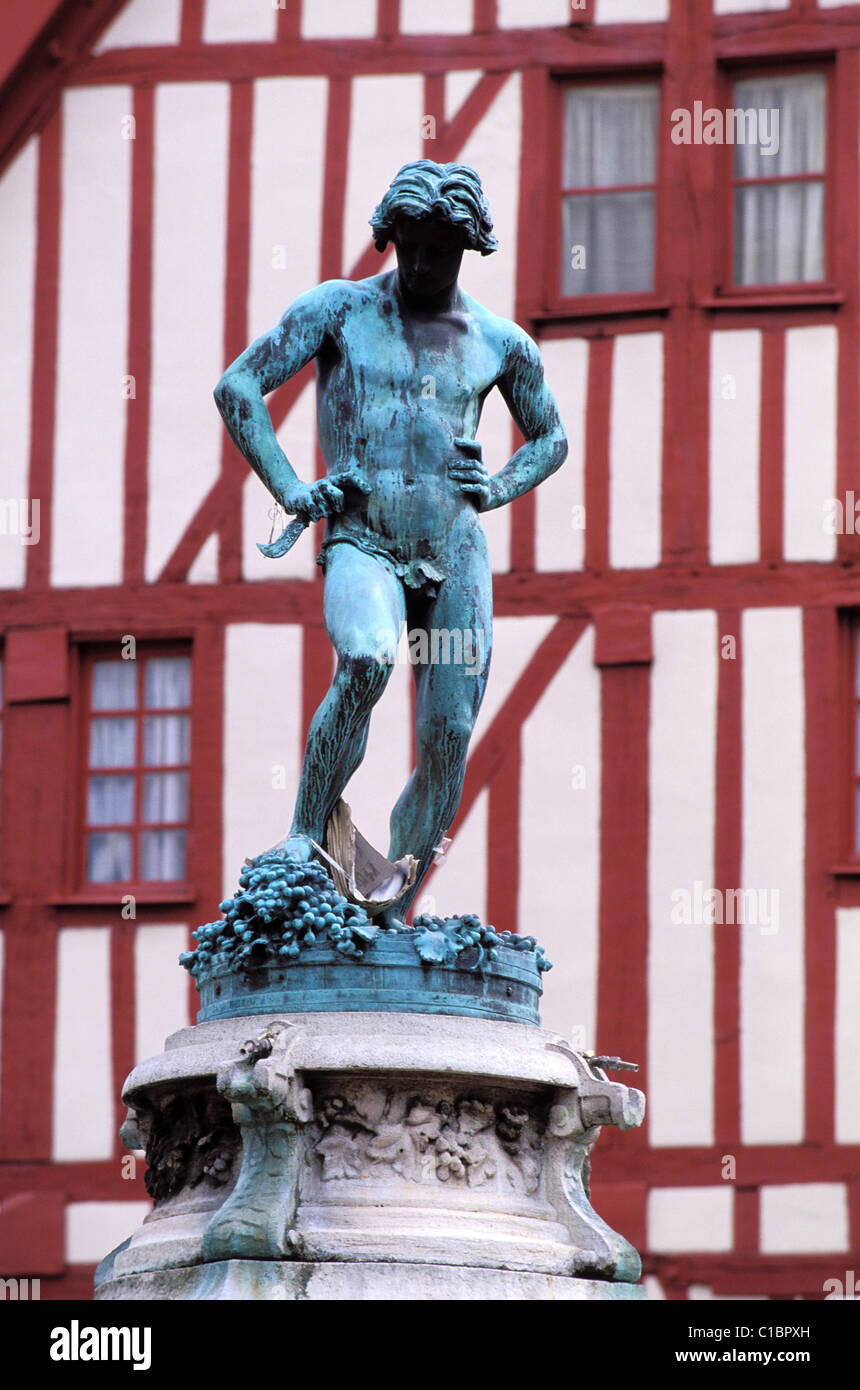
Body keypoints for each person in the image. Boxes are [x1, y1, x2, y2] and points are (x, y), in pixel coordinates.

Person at [214, 160, 567, 924]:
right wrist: (291, 490)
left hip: (455, 551)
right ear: (391, 237)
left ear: (467, 246)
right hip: (363, 538)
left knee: (449, 734)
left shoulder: (500, 344)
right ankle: (305, 841)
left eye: (438, 249)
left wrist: (499, 485)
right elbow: (238, 387)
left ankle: (387, 906)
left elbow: (551, 437)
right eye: (407, 245)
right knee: (368, 656)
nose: (420, 263)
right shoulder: (340, 311)